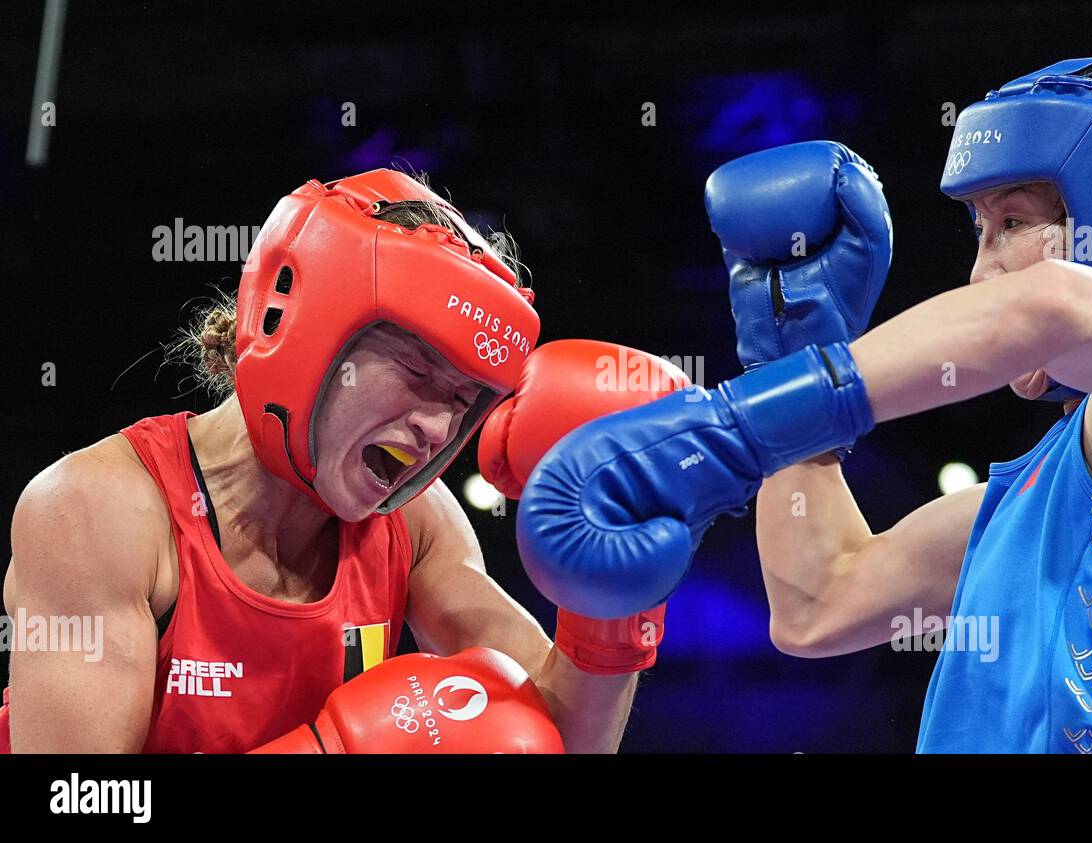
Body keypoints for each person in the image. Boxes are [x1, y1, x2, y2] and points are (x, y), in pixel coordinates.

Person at [514, 57, 1092, 753]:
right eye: (980, 231)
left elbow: (1056, 308)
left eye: (1014, 223)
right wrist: (790, 376)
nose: (981, 274)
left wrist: (736, 428)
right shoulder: (1035, 496)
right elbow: (819, 602)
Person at [1, 169, 668, 753]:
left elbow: (553, 735)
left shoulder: (417, 526)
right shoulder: (98, 511)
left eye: (464, 401)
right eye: (416, 370)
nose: (438, 427)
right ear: (306, 328)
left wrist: (613, 593)